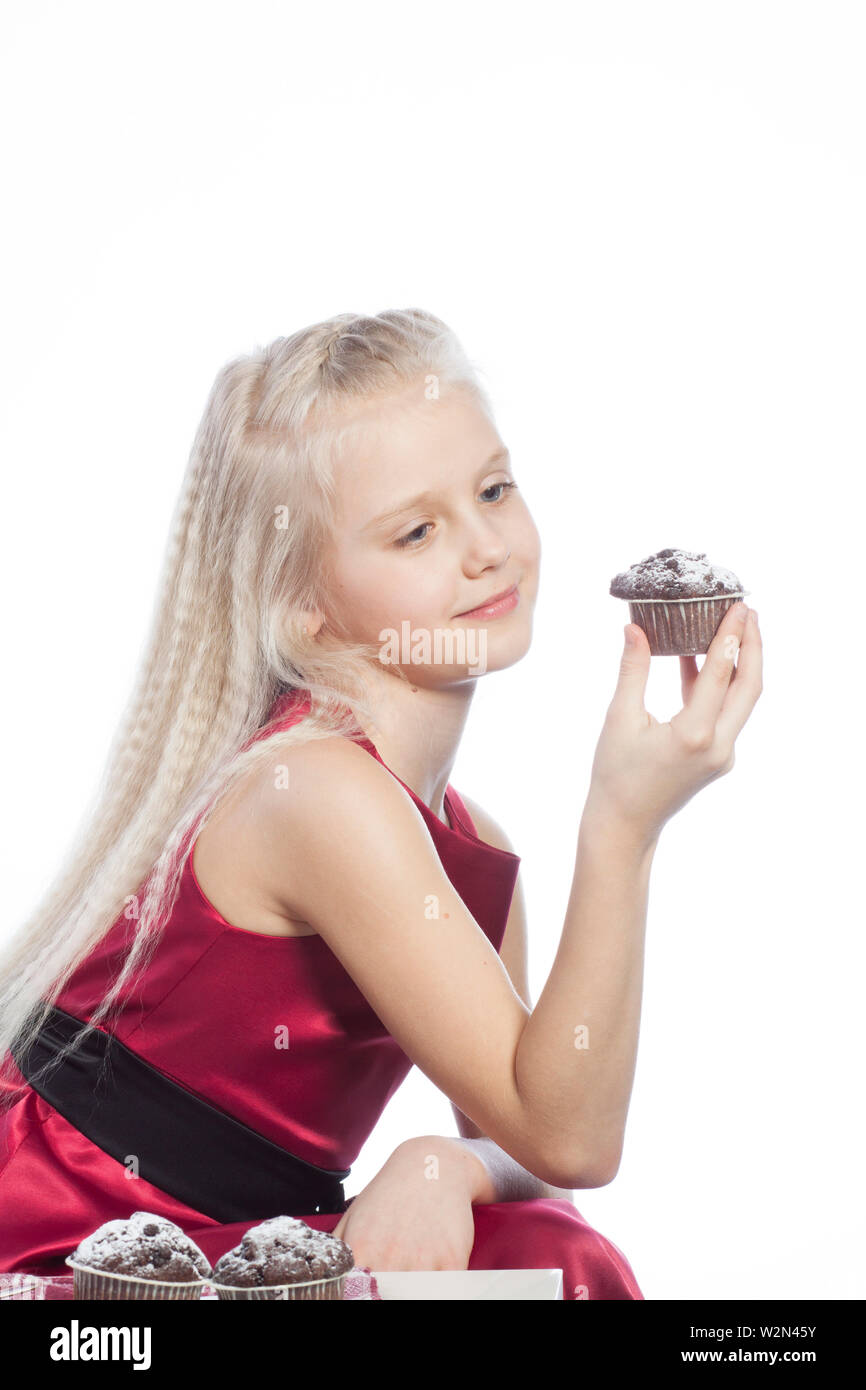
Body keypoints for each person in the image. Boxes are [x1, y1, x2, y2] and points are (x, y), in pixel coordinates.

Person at [0, 310, 761, 1299]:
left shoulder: (467, 841)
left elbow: (540, 1136)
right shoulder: (316, 791)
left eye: (493, 488)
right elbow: (569, 1135)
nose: (487, 548)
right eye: (416, 530)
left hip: (245, 1245)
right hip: (65, 1247)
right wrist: (620, 825)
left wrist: (448, 1162)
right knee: (565, 1267)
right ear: (304, 600)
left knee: (544, 1248)